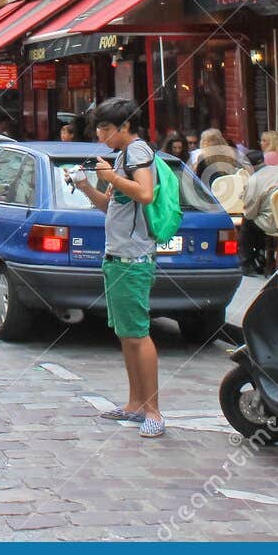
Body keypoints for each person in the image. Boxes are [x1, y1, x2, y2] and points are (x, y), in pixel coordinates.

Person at [69, 96, 164, 438]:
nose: (101, 135)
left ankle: (152, 409)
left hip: (134, 258)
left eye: (106, 129)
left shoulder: (137, 152)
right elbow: (110, 205)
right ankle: (135, 403)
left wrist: (110, 174)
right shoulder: (123, 156)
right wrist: (85, 185)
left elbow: (145, 193)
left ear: (125, 127)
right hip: (117, 255)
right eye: (98, 129)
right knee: (126, 334)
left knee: (138, 334)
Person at [239, 162, 278, 276]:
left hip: (275, 223)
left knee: (247, 221)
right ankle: (261, 257)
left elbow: (250, 214)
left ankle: (246, 262)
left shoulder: (254, 181)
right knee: (259, 220)